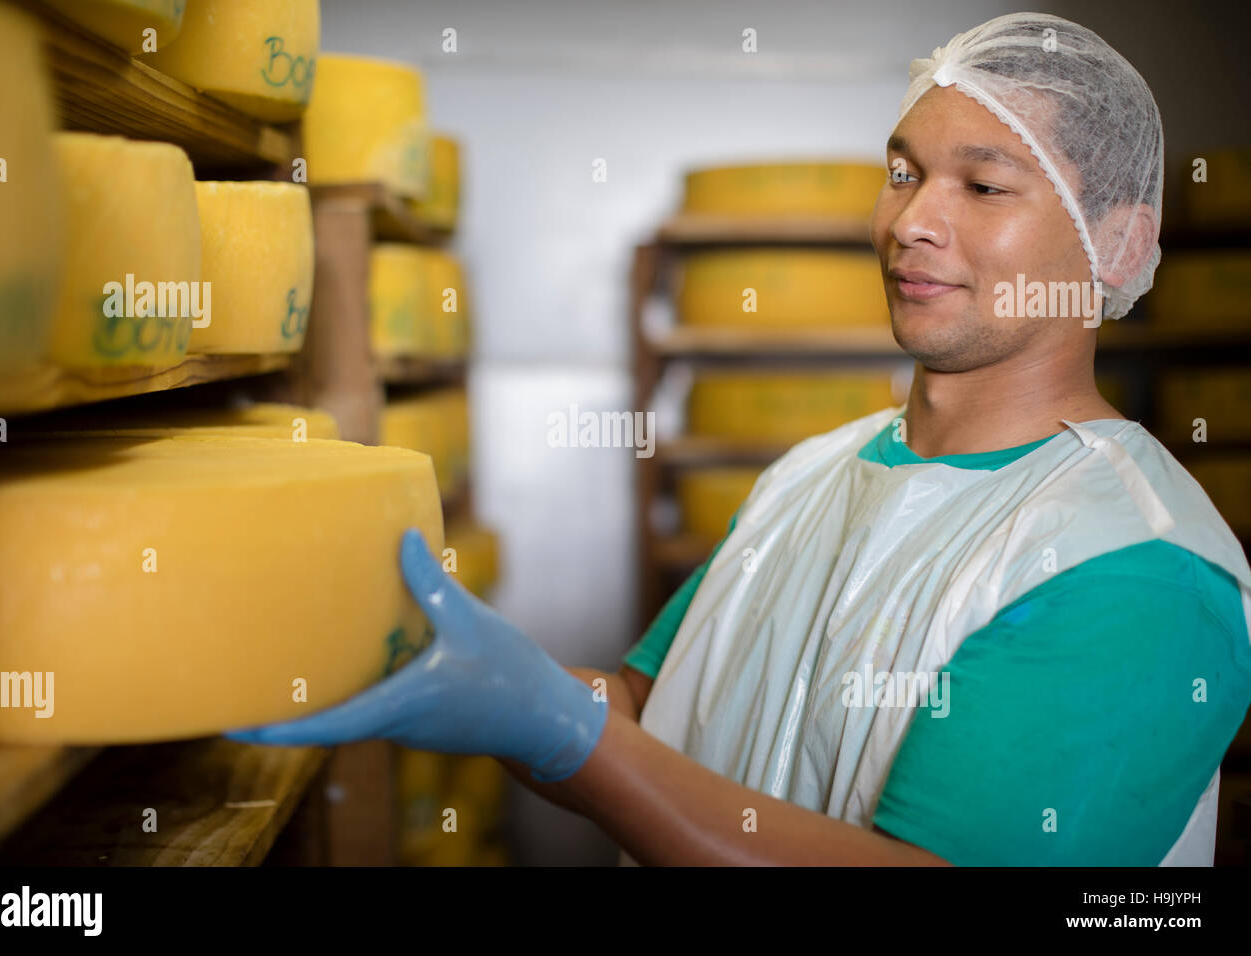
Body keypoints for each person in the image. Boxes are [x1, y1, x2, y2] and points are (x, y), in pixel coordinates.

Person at [229, 13, 1251, 866]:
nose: (911, 222)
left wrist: (556, 734)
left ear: (1114, 241)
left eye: (981, 187)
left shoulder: (1134, 565)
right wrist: (466, 677)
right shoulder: (811, 474)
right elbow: (643, 703)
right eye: (902, 173)